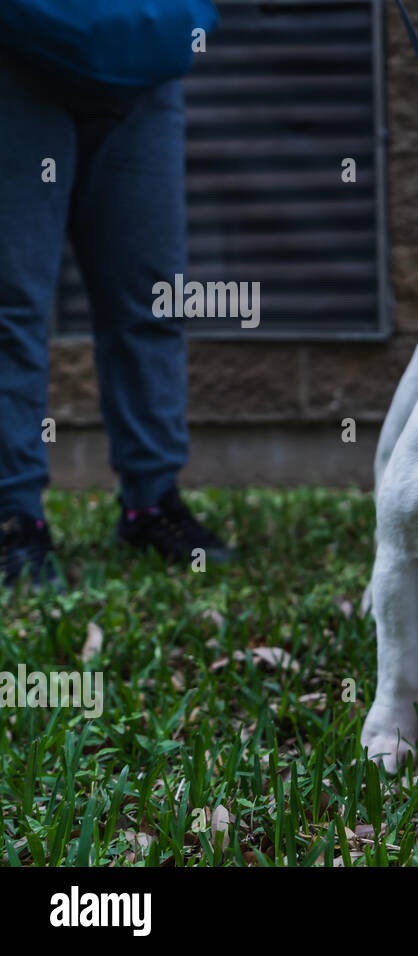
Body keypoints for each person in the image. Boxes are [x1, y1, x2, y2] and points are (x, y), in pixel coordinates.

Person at [0, 2, 231, 589]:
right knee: (11, 306)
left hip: (146, 63)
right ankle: (14, 517)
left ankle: (150, 505)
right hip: (19, 54)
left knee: (152, 302)